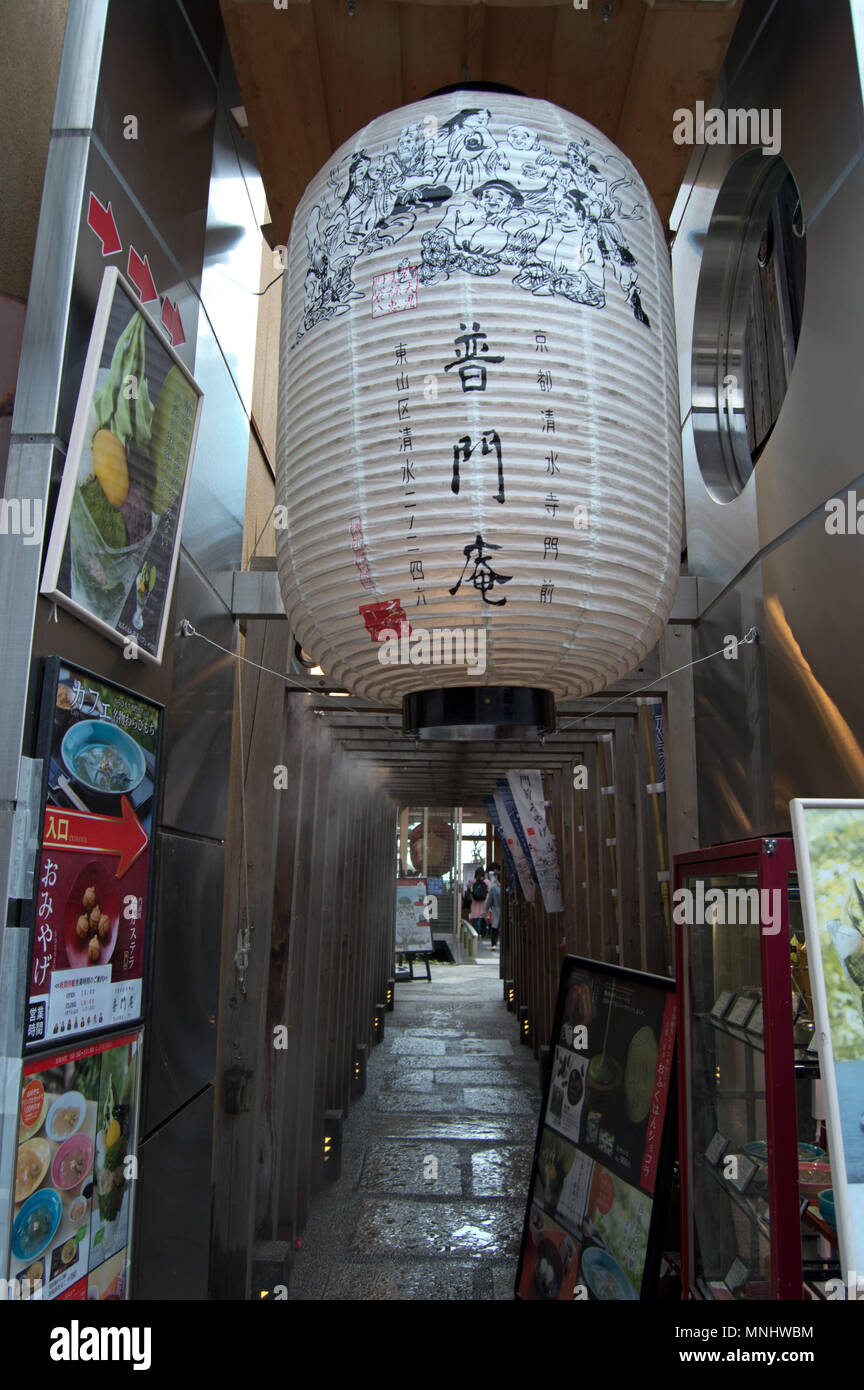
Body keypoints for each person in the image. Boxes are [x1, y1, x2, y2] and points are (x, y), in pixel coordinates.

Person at [468, 865, 491, 937]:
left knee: (476, 917)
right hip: (484, 902)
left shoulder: (472, 881)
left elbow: (469, 887)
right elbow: (489, 890)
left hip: (475, 901)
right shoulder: (487, 881)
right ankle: (483, 932)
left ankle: (477, 932)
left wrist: (473, 892)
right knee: (484, 917)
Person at [486, 865, 502, 950]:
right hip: (497, 908)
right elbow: (490, 900)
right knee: (495, 927)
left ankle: (494, 944)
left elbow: (489, 900)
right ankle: (494, 943)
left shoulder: (494, 887)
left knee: (495, 927)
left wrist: (486, 909)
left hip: (496, 908)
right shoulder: (496, 887)